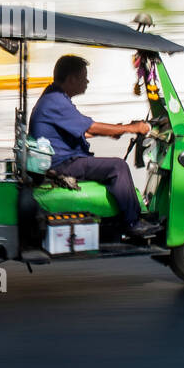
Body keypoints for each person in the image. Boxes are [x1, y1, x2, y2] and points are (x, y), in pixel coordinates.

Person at [28, 54, 162, 238]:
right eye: (84, 77)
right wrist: (132, 128)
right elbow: (90, 126)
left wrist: (119, 130)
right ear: (72, 79)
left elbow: (80, 130)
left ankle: (117, 216)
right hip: (61, 163)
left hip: (62, 158)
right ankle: (133, 222)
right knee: (118, 166)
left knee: (112, 166)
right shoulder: (56, 101)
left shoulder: (55, 96)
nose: (87, 81)